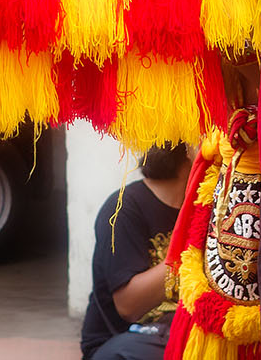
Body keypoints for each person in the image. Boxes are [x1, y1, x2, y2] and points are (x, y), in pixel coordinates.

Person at [80, 145, 192, 360]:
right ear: (187, 152)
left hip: (180, 329)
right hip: (127, 339)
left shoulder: (204, 205)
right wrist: (193, 249)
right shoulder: (122, 208)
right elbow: (129, 305)